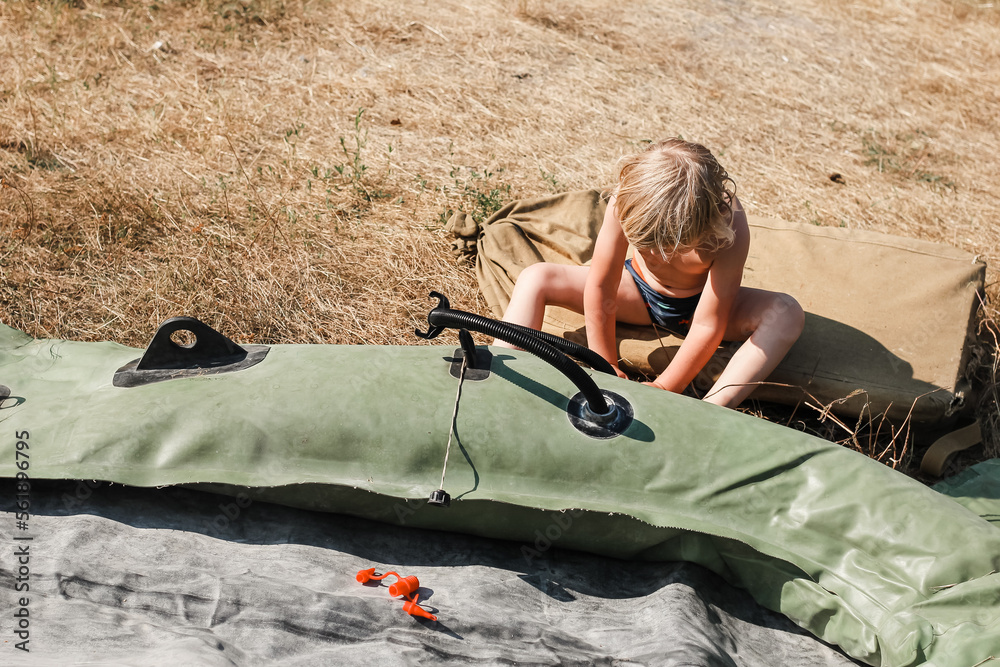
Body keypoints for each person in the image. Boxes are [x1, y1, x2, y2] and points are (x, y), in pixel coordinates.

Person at [495, 138, 804, 409]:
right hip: (638, 292)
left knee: (786, 313)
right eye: (646, 246)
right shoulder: (627, 199)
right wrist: (604, 363)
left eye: (672, 246)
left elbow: (710, 322)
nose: (656, 254)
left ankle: (715, 407)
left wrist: (665, 386)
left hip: (702, 304)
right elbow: (602, 285)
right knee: (536, 277)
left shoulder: (730, 224)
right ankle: (499, 370)